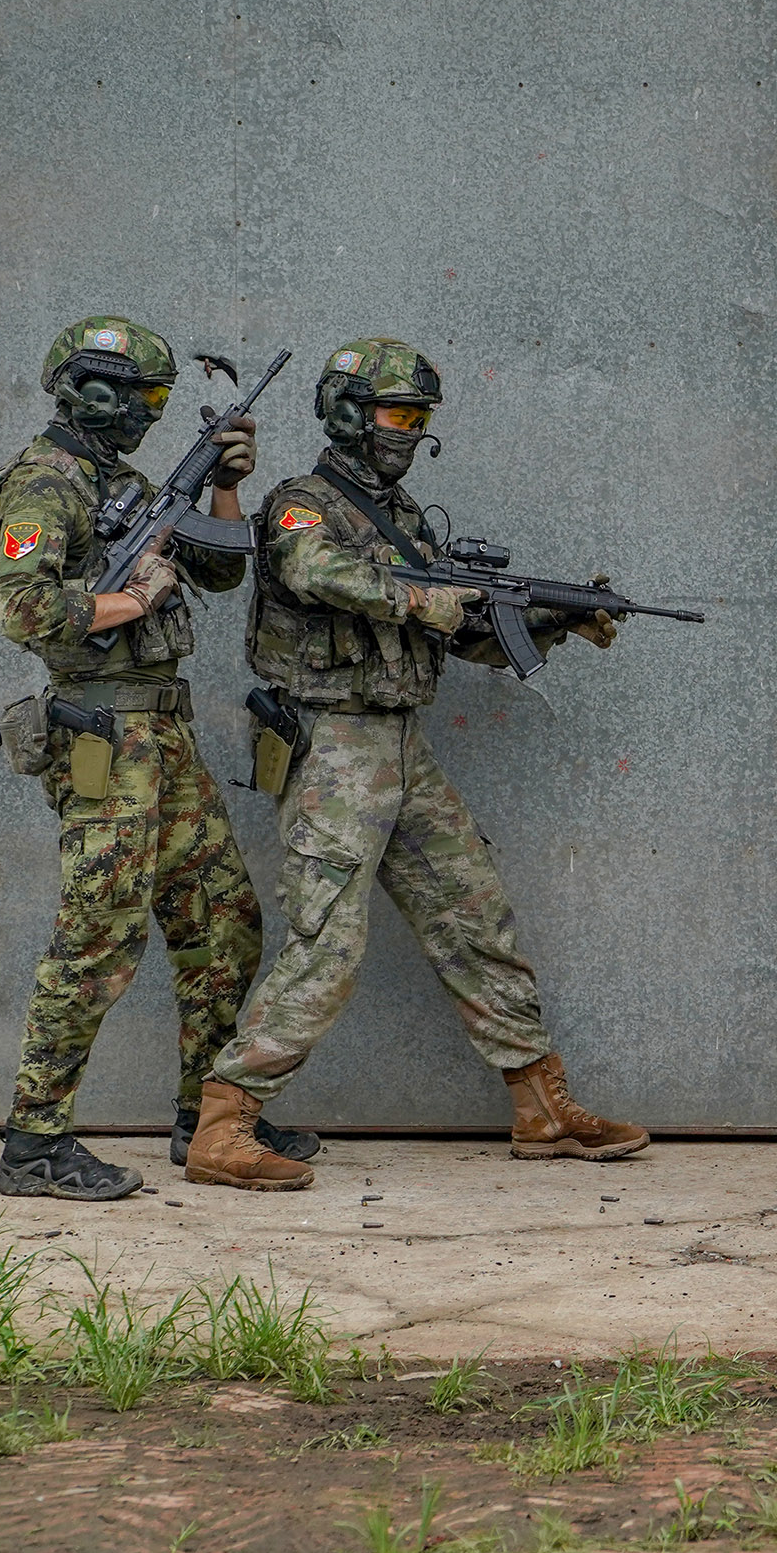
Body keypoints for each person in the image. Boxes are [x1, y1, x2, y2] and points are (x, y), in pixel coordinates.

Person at [184, 338, 648, 1190]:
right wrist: (430, 596)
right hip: (333, 748)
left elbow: (458, 630)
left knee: (475, 914)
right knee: (329, 939)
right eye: (401, 413)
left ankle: (542, 1104)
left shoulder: (408, 517)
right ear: (350, 412)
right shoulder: (303, 506)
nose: (412, 431)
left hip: (402, 741)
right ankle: (226, 1118)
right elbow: (319, 573)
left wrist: (552, 620)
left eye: (421, 418)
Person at [0, 316, 312, 1201]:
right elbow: (24, 611)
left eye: (164, 401)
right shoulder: (43, 482)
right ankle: (34, 1144)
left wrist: (225, 489)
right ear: (93, 390)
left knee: (224, 921)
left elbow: (219, 574)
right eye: (146, 398)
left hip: (163, 733)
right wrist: (129, 600)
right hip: (104, 734)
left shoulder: (122, 481)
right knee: (99, 934)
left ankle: (202, 1119)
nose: (151, 413)